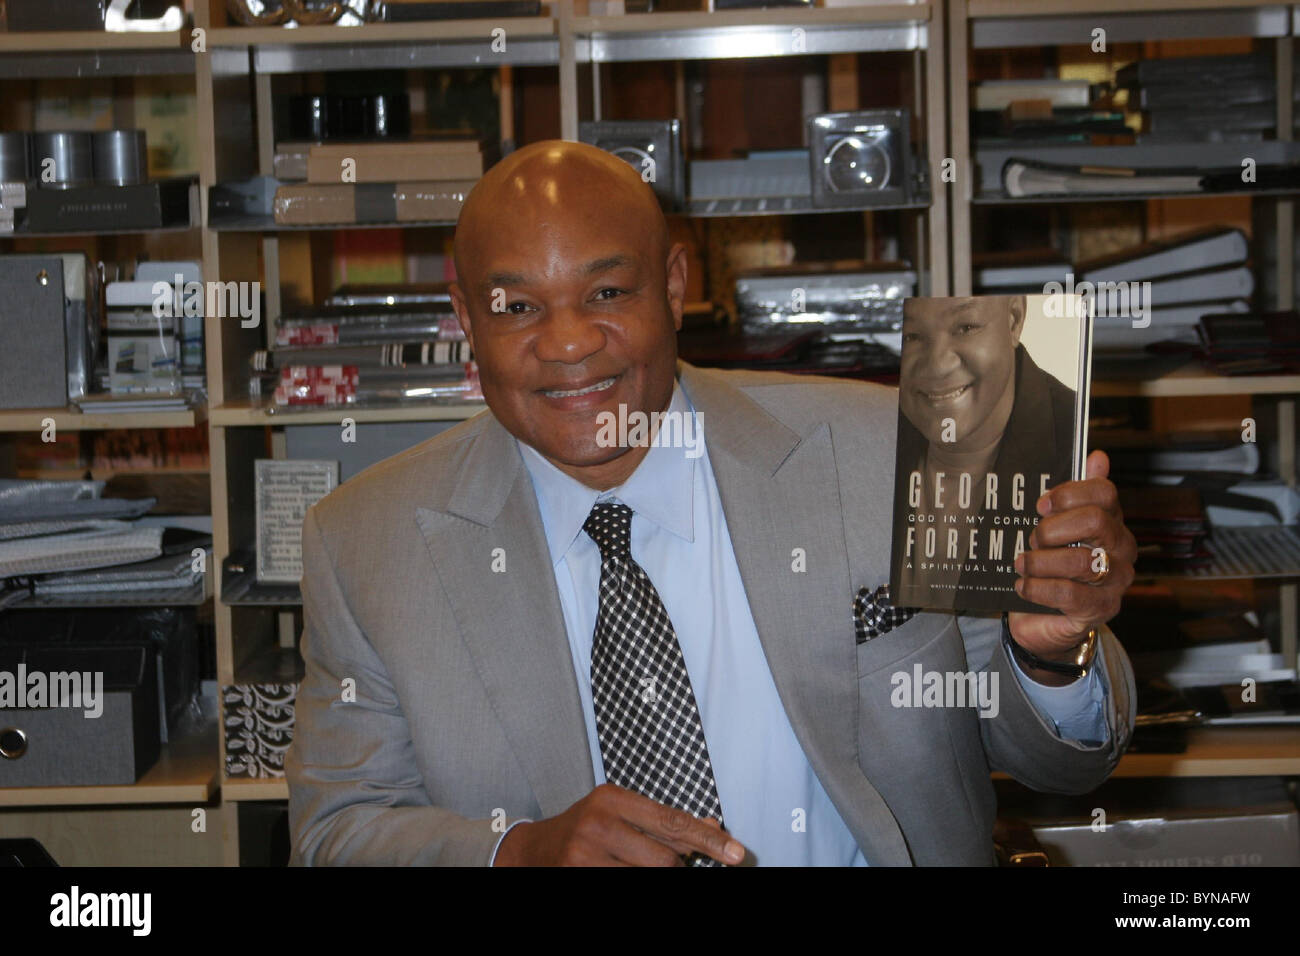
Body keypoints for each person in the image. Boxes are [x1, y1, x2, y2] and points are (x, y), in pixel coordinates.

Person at [285, 140, 1138, 867]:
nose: (570, 342)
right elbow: (336, 830)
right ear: (464, 318)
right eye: (517, 307)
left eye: (608, 293)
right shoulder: (364, 542)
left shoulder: (897, 454)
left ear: (676, 284)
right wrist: (517, 852)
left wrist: (1051, 658)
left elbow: (1061, 768)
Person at [892, 294, 1079, 611]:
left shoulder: (1073, 443)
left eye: (965, 327)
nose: (937, 365)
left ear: (1014, 320)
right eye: (912, 336)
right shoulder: (869, 427)